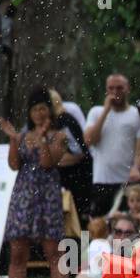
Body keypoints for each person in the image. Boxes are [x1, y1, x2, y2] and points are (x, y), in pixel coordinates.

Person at [0, 87, 69, 278]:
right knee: (17, 252)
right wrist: (14, 140)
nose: (38, 113)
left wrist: (44, 140)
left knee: (53, 251)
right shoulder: (24, 133)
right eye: (34, 109)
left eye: (42, 108)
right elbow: (14, 164)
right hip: (24, 195)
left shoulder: (60, 135)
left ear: (49, 110)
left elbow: (48, 162)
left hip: (47, 195)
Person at [84, 74, 140, 219]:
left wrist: (136, 167)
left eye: (119, 88)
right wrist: (106, 110)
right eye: (111, 88)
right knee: (99, 225)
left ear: (127, 89)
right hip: (102, 180)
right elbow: (89, 140)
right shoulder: (96, 112)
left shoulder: (136, 114)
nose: (115, 92)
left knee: (125, 226)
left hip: (127, 182)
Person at [50, 88, 91, 227]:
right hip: (64, 181)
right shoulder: (52, 123)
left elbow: (78, 153)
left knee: (79, 224)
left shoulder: (64, 121)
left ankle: (82, 248)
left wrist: (52, 160)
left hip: (77, 180)